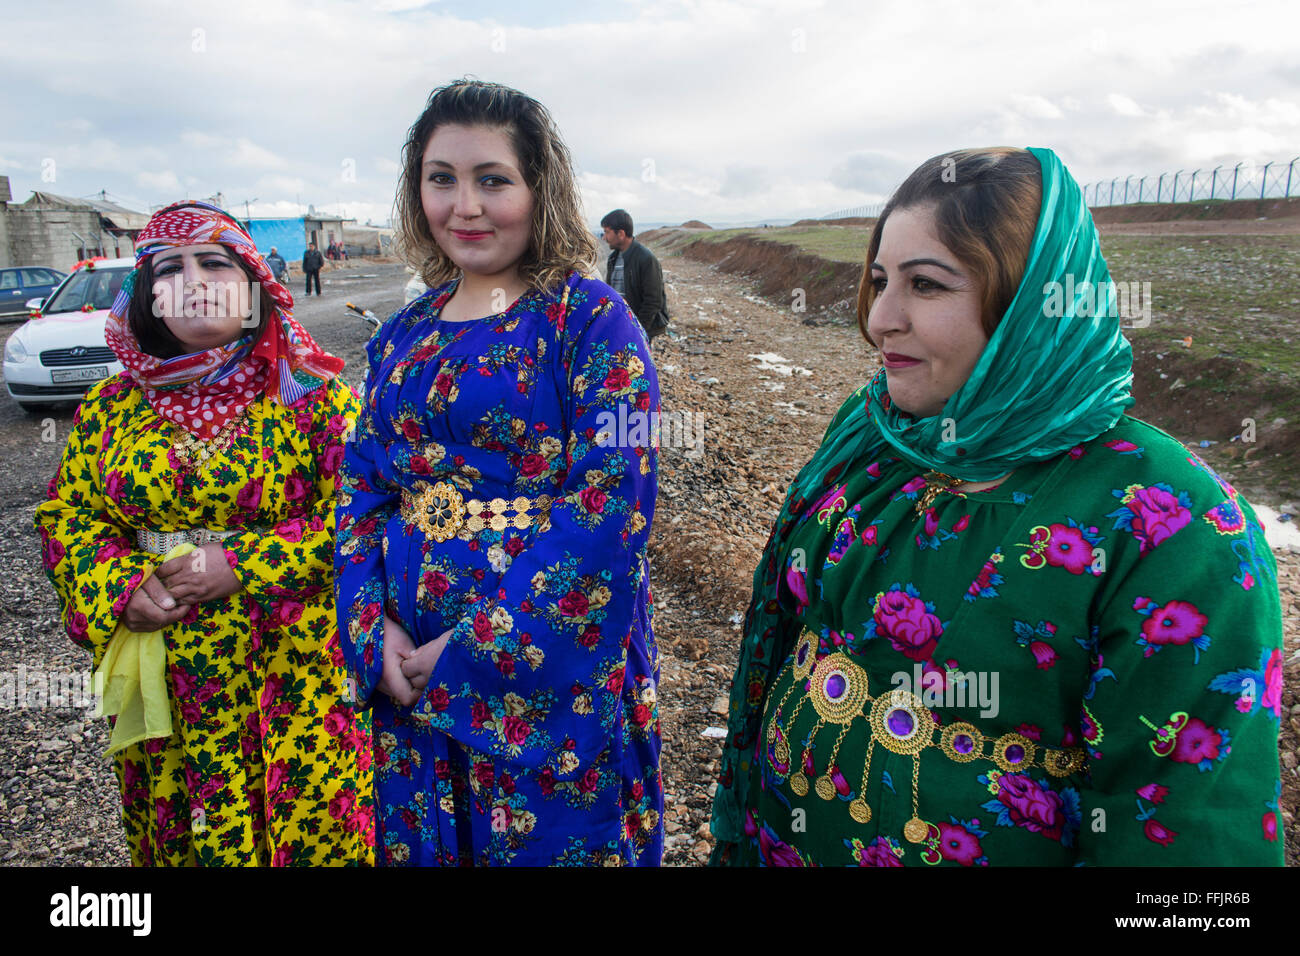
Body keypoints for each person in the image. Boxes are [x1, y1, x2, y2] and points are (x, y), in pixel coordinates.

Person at [709, 147, 1284, 866]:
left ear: (1030, 302)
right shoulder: (877, 437)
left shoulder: (1167, 520)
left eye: (926, 285)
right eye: (880, 280)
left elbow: (1186, 832)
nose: (879, 319)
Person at [335, 78, 662, 866]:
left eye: (493, 179)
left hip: (545, 669)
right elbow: (362, 486)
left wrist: (477, 646)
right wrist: (369, 625)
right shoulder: (403, 333)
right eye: (441, 178)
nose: (465, 205)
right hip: (403, 666)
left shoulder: (590, 321)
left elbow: (610, 504)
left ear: (539, 188)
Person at [35, 201, 374, 866]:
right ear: (148, 295)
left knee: (311, 832)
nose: (193, 280)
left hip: (295, 675)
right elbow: (68, 518)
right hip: (167, 669)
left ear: (251, 282)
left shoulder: (311, 396)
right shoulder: (111, 408)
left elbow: (365, 519)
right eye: (169, 268)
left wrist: (245, 562)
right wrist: (120, 584)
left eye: (214, 262)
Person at [601, 209, 669, 342]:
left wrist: (639, 331)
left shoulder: (646, 259)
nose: (604, 237)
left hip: (639, 329)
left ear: (620, 233)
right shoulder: (613, 259)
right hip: (622, 326)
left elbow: (653, 300)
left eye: (607, 232)